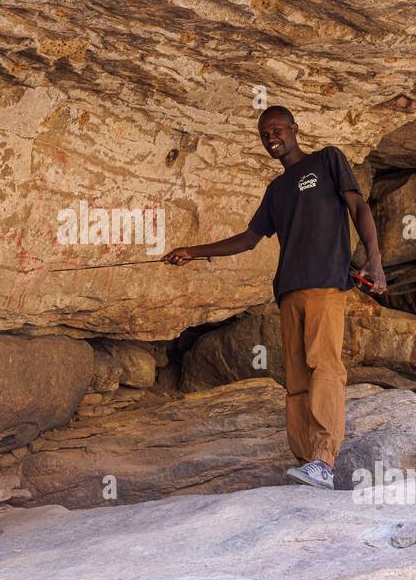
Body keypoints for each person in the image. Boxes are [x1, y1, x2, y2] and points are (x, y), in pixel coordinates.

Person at [164, 105, 387, 489]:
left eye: (278, 130)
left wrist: (375, 258)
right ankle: (306, 462)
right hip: (288, 292)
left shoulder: (327, 160)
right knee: (297, 378)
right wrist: (193, 250)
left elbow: (358, 206)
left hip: (324, 284)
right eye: (265, 134)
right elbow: (249, 240)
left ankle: (324, 458)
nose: (272, 139)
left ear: (295, 129)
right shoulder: (276, 190)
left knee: (325, 367)